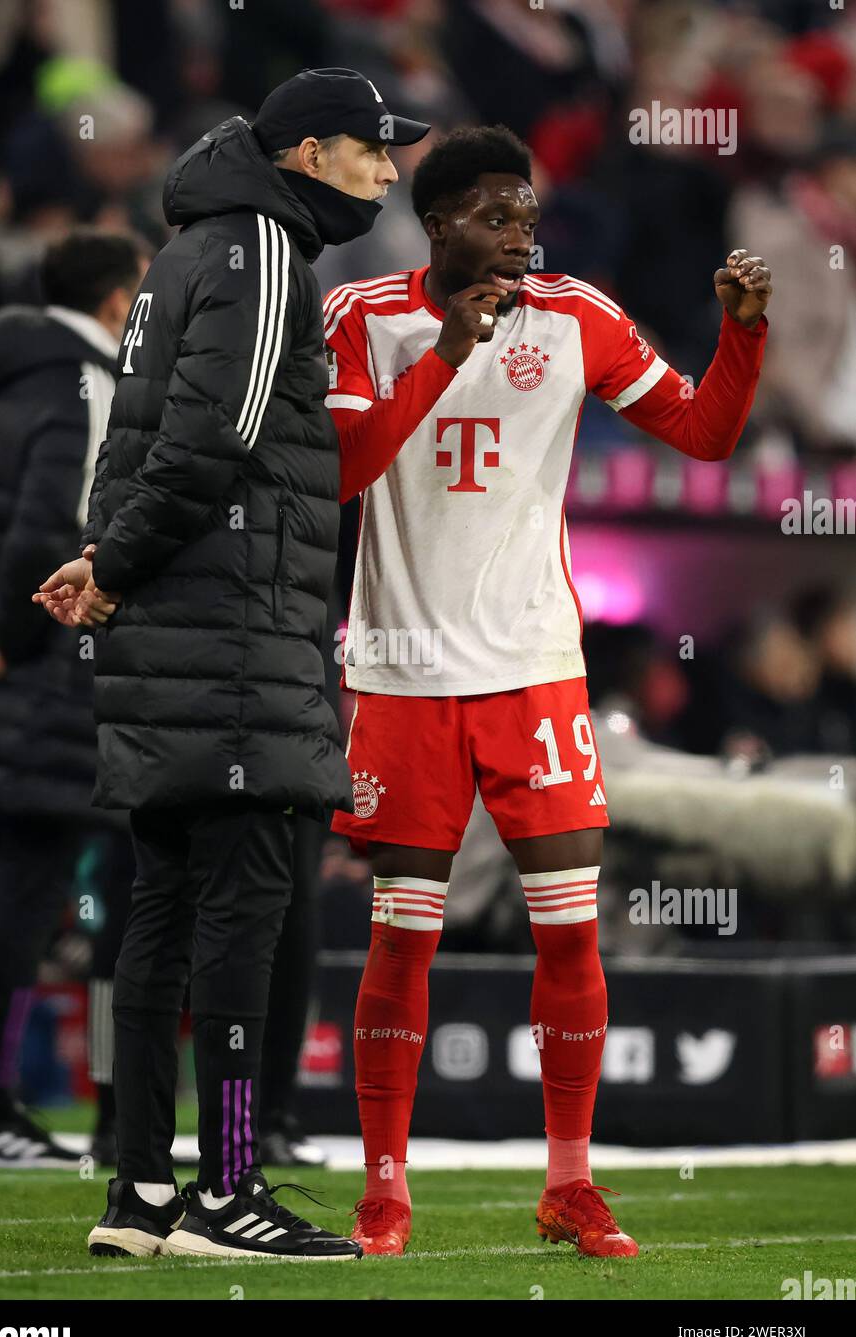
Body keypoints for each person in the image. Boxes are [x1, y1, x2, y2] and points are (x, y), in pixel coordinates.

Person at [324, 124, 772, 1257]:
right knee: (401, 945)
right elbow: (336, 473)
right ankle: (387, 1191)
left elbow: (705, 434)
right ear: (436, 223)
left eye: (528, 215)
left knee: (570, 940)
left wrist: (743, 334)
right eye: (494, 215)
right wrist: (444, 351)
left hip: (534, 671)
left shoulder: (580, 315)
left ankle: (569, 1182)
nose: (520, 236)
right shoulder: (366, 316)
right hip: (403, 674)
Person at [36, 69, 429, 1259]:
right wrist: (112, 565)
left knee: (158, 917)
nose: (389, 169)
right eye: (373, 148)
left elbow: (150, 437)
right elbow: (217, 438)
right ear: (309, 152)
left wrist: (111, 560)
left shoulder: (186, 249)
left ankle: (140, 1194)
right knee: (243, 922)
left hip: (178, 638)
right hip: (240, 643)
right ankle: (232, 1188)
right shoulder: (265, 246)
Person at [0, 229, 146, 1167]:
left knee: (23, 898)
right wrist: (12, 636)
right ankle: (87, 1113)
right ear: (111, 301)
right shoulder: (86, 383)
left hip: (0, 663)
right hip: (65, 669)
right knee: (110, 901)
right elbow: (42, 532)